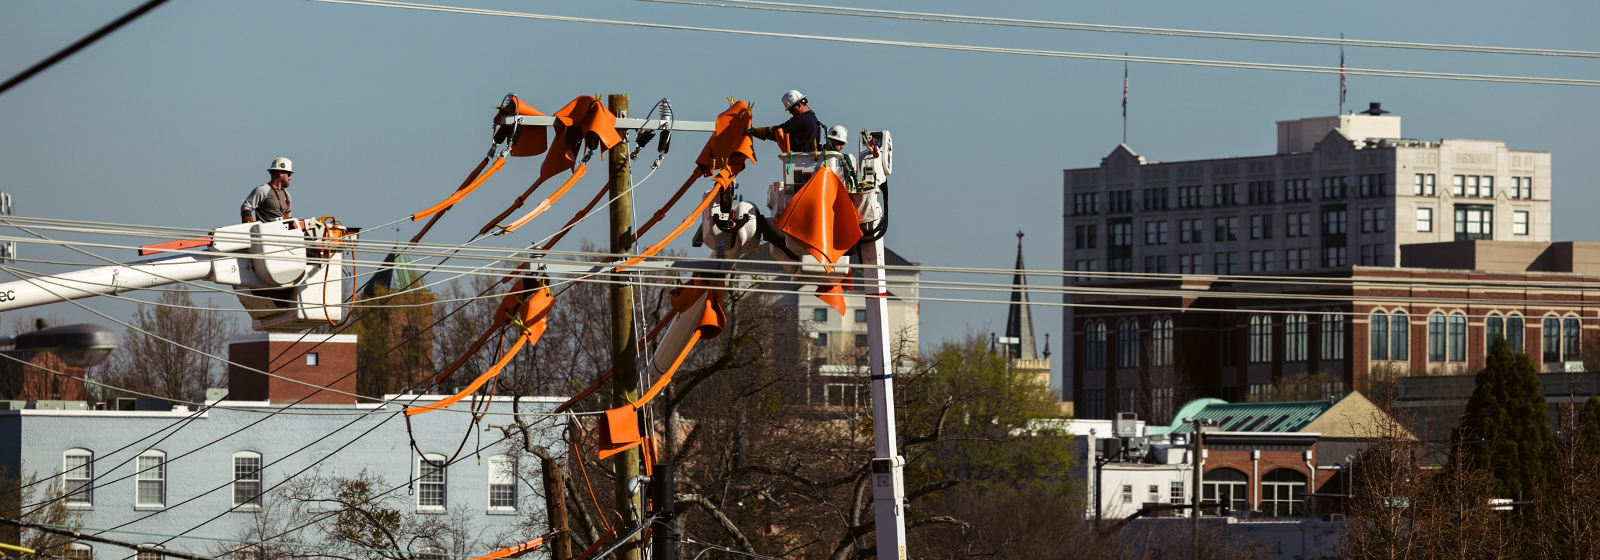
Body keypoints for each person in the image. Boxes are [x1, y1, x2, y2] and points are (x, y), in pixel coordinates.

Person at [746, 90, 825, 152]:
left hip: (801, 161)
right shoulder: (812, 118)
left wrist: (754, 131)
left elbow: (778, 131)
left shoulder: (801, 119)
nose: (791, 112)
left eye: (791, 109)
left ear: (798, 105)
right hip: (808, 160)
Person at [241, 157, 294, 223]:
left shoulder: (287, 195)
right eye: (289, 174)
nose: (290, 178)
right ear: (280, 174)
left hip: (282, 232)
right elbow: (246, 208)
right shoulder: (263, 190)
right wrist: (249, 225)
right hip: (267, 233)